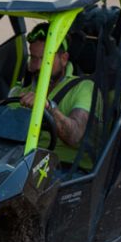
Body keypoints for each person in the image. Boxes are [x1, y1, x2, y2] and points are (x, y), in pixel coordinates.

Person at [7, 22, 95, 166]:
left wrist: (47, 107)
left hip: (66, 168)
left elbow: (75, 136)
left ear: (64, 58)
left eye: (45, 59)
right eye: (34, 58)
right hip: (22, 164)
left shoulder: (84, 87)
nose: (38, 66)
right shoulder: (20, 92)